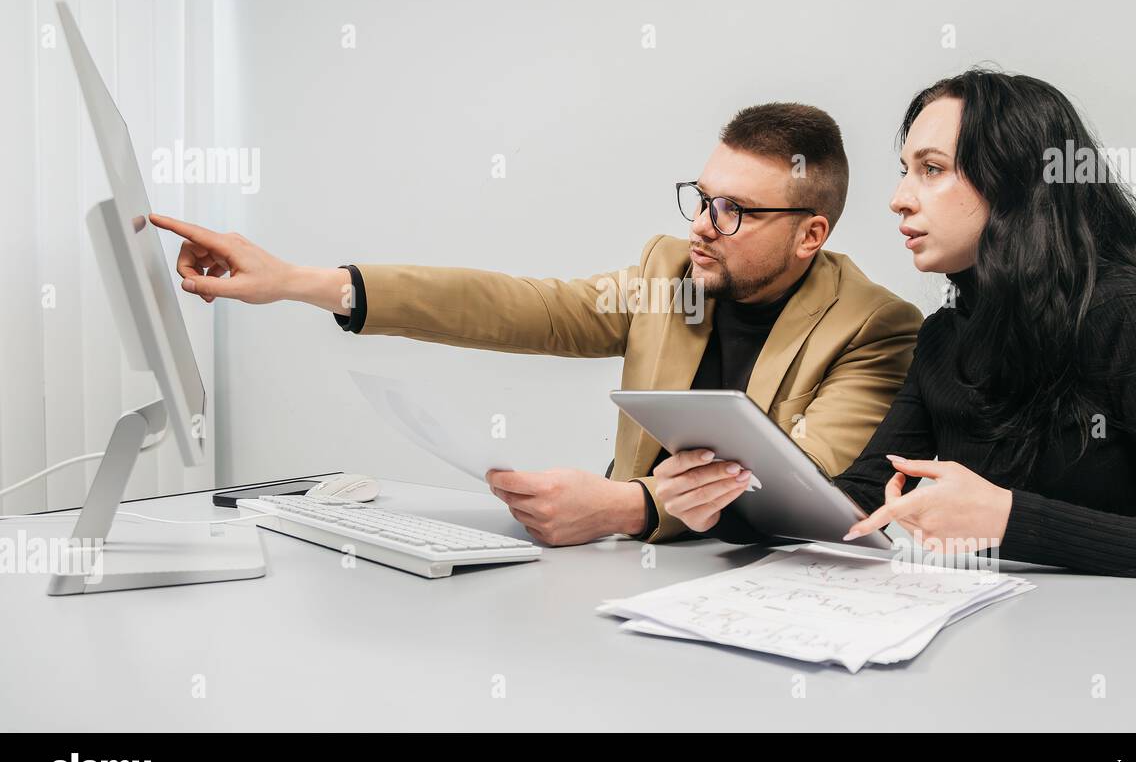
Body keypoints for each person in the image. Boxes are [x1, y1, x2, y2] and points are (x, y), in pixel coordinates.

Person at [151, 103, 923, 547]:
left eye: (734, 211)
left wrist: (627, 504)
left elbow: (803, 488)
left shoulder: (873, 327)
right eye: (701, 195)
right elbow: (528, 308)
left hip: (765, 602)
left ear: (810, 234)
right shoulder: (672, 276)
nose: (702, 225)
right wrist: (300, 281)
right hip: (629, 578)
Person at [667, 70, 1136, 588]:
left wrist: (1009, 519)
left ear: (1015, 185)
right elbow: (858, 502)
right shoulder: (943, 337)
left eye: (932, 169)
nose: (899, 199)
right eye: (906, 170)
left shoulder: (1126, 316)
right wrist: (724, 500)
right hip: (997, 643)